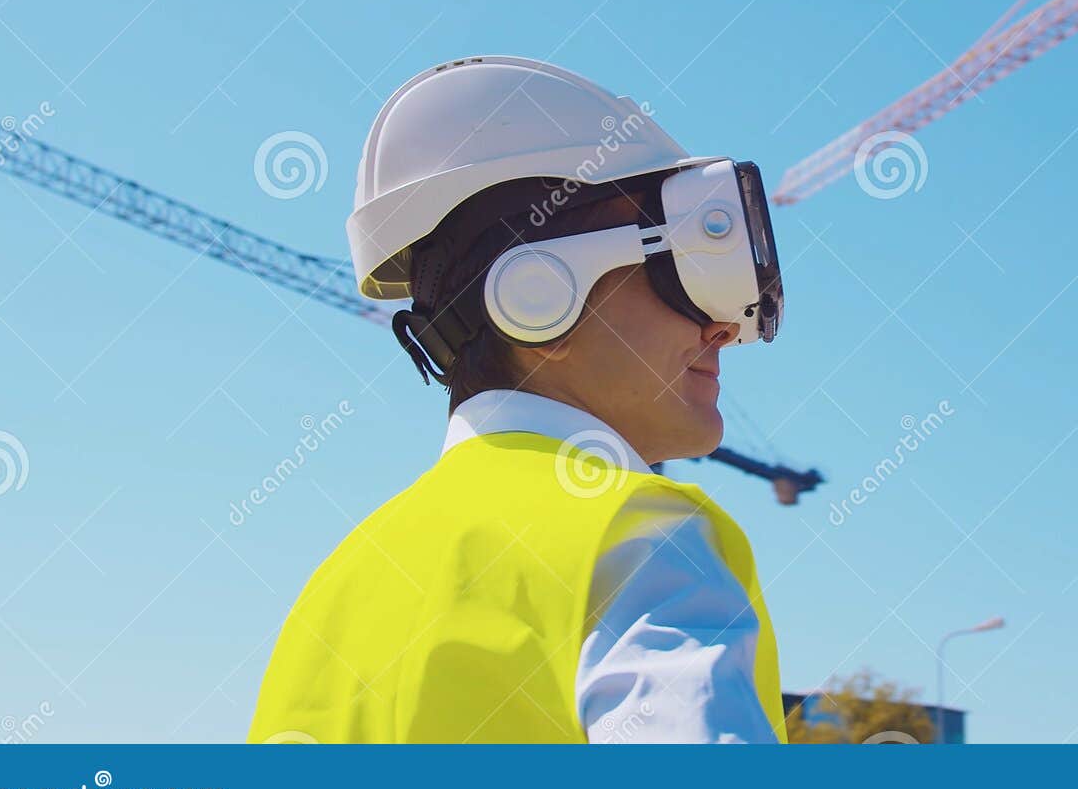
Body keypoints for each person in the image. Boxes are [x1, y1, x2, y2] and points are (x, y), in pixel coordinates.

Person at [247, 56, 788, 743]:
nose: (724, 326)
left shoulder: (332, 595)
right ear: (538, 300)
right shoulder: (636, 539)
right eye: (681, 270)